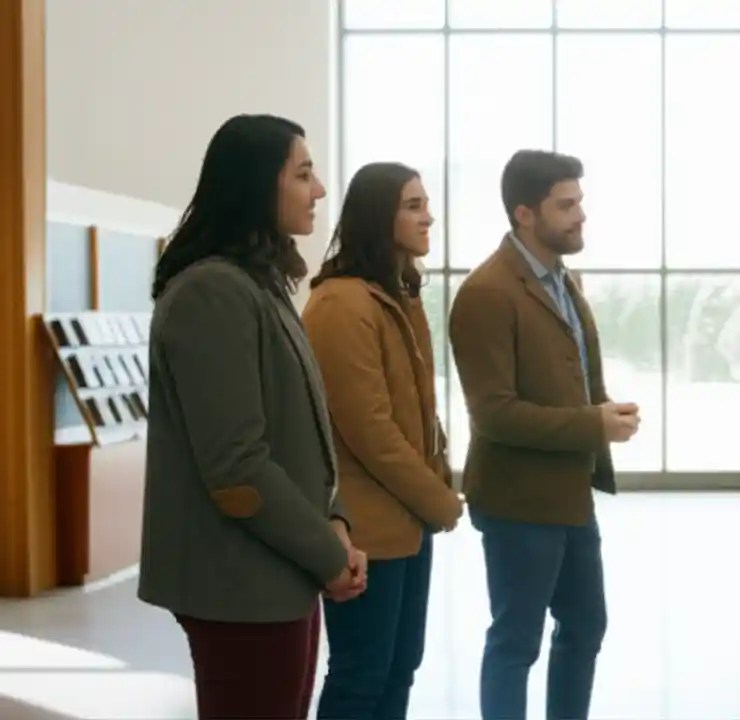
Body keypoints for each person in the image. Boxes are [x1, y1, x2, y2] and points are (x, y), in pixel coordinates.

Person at [137, 113, 368, 720]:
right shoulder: (212, 292)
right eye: (303, 173)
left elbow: (305, 433)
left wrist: (336, 525)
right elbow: (236, 465)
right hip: (240, 585)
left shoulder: (257, 285)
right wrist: (326, 550)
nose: (319, 190)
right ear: (255, 184)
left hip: (279, 574)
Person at [448, 149, 640, 720]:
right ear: (524, 213)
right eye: (566, 205)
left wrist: (600, 407)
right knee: (517, 640)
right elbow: (493, 414)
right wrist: (593, 424)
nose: (580, 215)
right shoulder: (487, 292)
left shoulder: (561, 280)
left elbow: (565, 375)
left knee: (585, 625)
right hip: (518, 501)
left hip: (569, 494)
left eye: (579, 201)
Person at [301, 161, 465, 719]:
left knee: (399, 668)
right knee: (362, 674)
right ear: (379, 215)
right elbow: (369, 429)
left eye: (426, 204)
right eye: (413, 206)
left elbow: (418, 414)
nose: (429, 217)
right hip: (367, 527)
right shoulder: (342, 304)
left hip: (407, 522)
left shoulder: (396, 293)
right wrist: (439, 499)